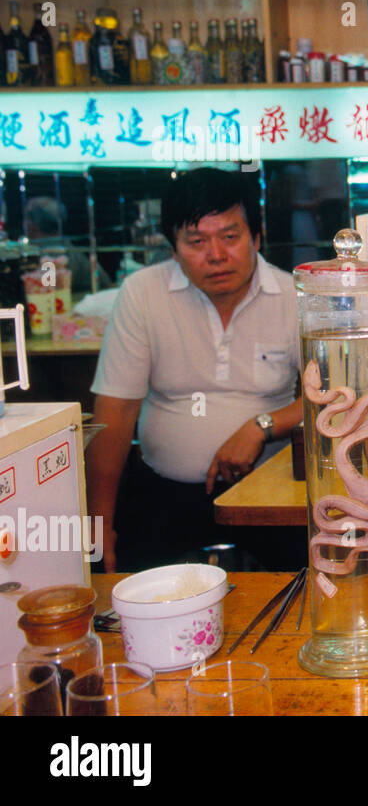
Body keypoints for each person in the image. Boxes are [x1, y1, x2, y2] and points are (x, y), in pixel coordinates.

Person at [86, 168, 302, 572]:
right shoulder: (143, 294)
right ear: (173, 249)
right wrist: (98, 524)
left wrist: (262, 425)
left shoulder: (293, 296)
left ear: (256, 238)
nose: (216, 255)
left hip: (268, 497)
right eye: (196, 241)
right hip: (163, 498)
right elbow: (115, 413)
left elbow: (334, 396)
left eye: (230, 237)